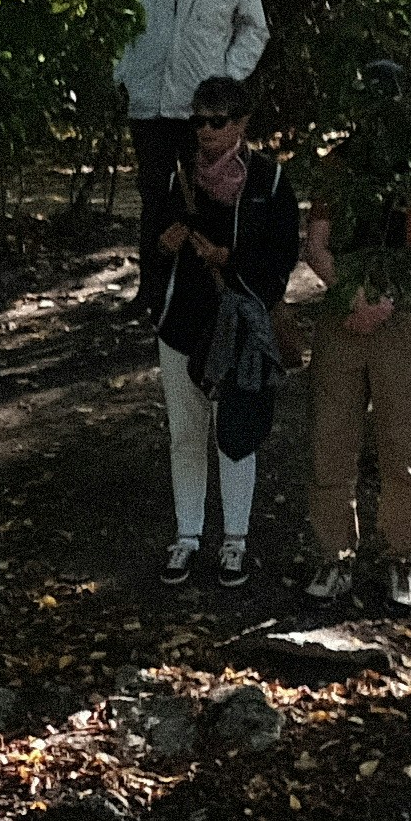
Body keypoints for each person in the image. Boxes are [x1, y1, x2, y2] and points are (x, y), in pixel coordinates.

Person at [298, 123, 411, 611]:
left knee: (401, 446)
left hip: (405, 320)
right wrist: (351, 298)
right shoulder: (337, 168)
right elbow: (317, 244)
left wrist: (390, 300)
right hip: (341, 319)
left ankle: (400, 562)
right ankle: (334, 557)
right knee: (331, 441)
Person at [143, 79, 295, 583]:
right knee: (185, 433)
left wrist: (229, 259)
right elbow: (150, 249)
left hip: (239, 326)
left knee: (236, 431)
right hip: (182, 322)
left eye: (219, 120)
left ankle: (235, 540)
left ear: (243, 122)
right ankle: (187, 536)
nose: (207, 131)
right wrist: (167, 246)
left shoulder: (269, 181)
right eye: (199, 120)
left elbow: (282, 257)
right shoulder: (177, 176)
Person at [113, 0, 268, 228]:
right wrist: (123, 74)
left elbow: (254, 29)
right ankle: (154, 281)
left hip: (202, 114)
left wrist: (225, 79)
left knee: (206, 204)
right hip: (148, 108)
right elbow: (117, 29)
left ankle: (198, 282)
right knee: (155, 204)